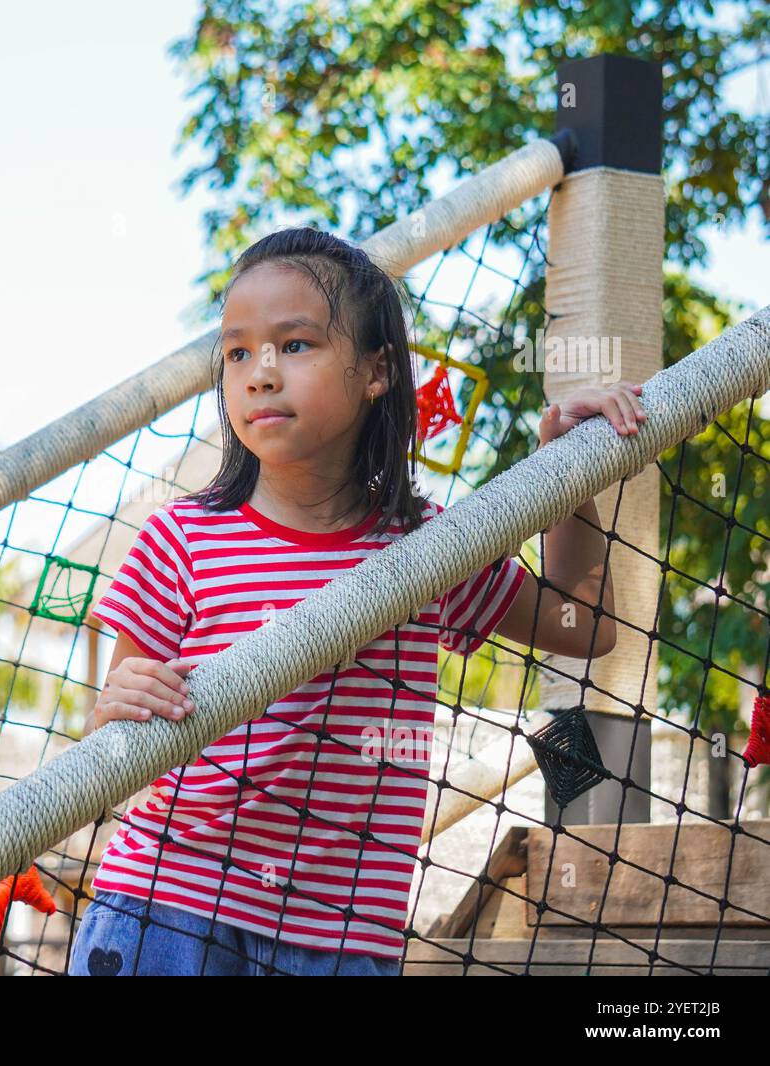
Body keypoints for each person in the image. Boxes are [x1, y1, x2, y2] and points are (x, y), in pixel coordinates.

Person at [68, 226, 639, 976]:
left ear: (376, 371)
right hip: (166, 909)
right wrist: (118, 703)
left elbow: (584, 624)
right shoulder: (180, 538)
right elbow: (114, 730)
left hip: (340, 943)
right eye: (237, 352)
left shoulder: (430, 547)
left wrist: (566, 472)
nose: (260, 373)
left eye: (295, 344)